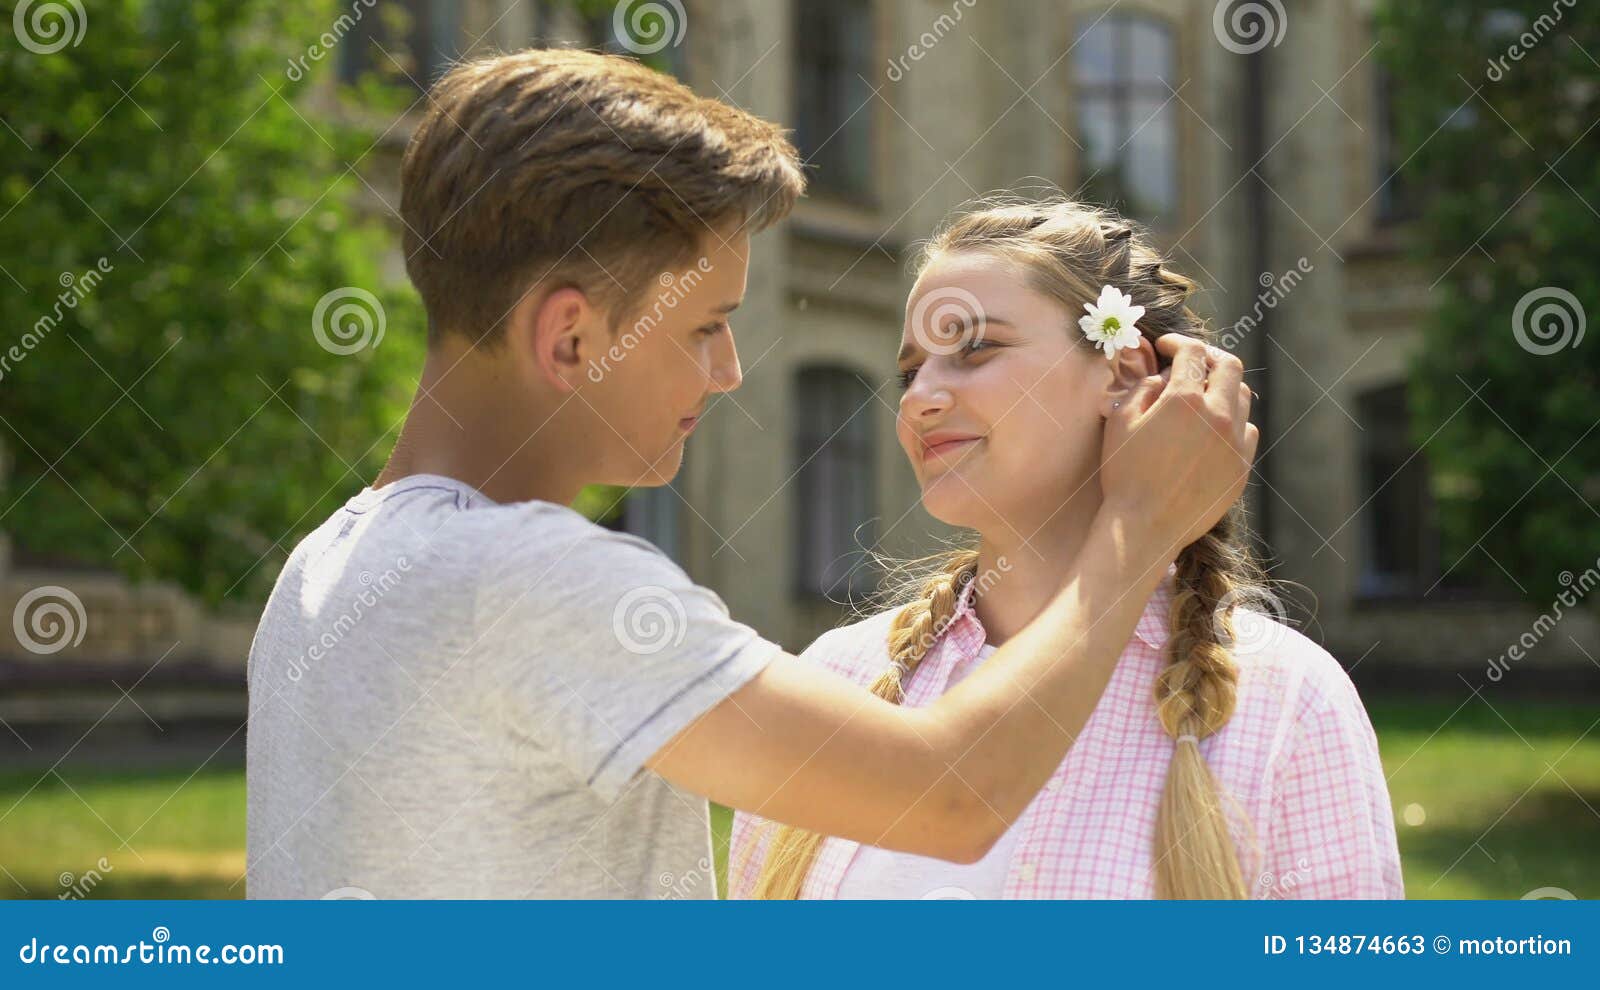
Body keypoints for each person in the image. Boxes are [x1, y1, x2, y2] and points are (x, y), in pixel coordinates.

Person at [244, 50, 1257, 899]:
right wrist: (1139, 521)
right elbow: (951, 797)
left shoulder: (324, 571)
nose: (727, 372)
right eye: (705, 328)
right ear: (569, 336)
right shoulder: (534, 582)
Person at [730, 198, 1403, 899]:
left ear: (1121, 372)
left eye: (974, 349)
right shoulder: (835, 680)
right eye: (910, 372)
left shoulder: (1285, 700)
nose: (919, 398)